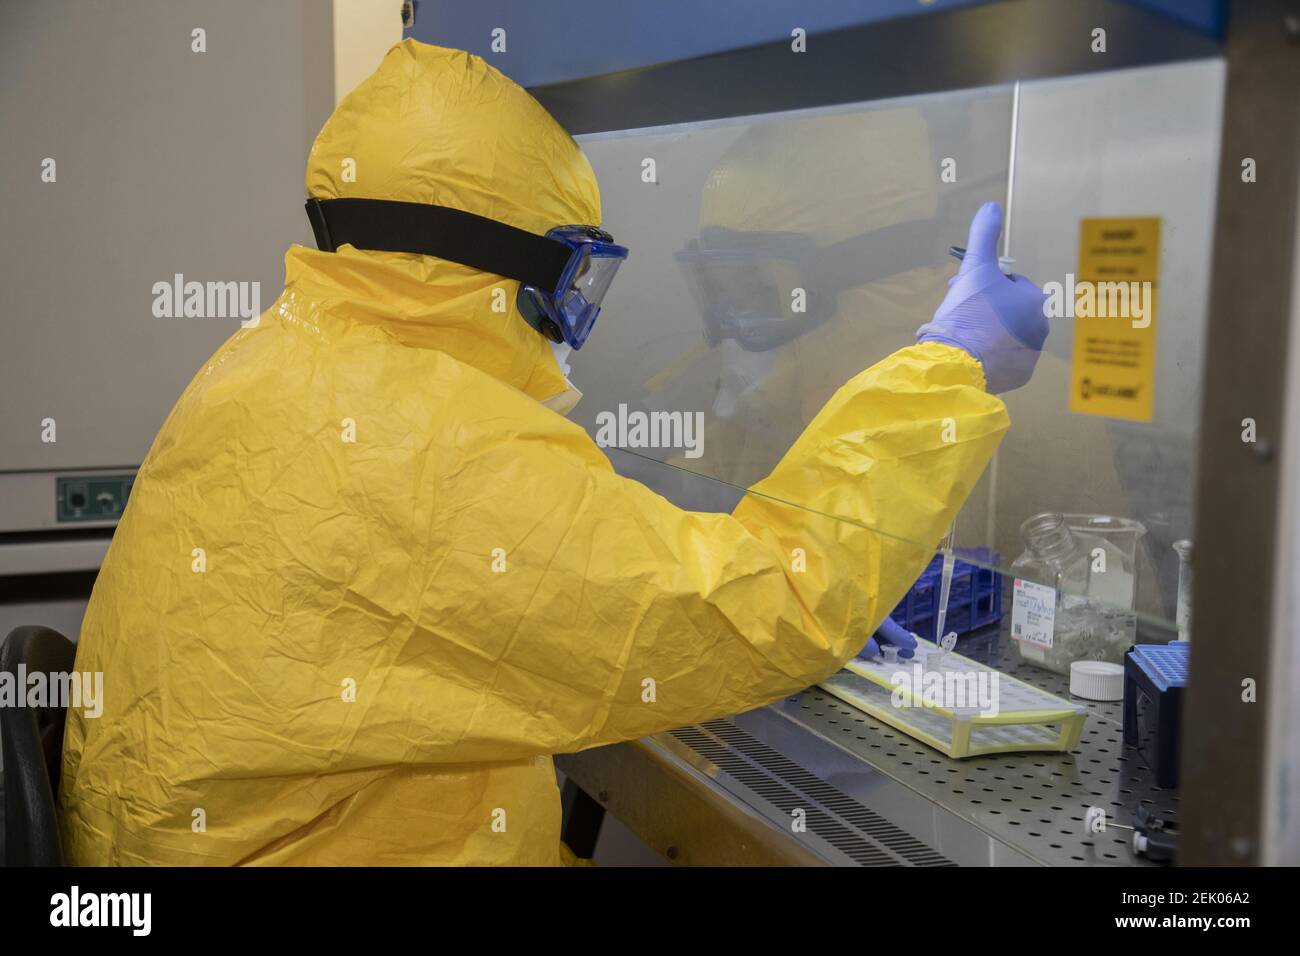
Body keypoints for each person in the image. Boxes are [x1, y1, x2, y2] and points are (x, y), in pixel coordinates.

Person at [59, 40, 1046, 866]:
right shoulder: (430, 435)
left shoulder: (273, 357)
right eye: (576, 278)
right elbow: (766, 609)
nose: (572, 320)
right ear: (519, 269)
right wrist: (947, 369)